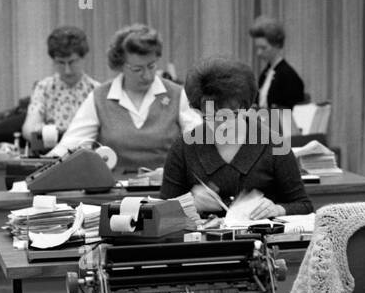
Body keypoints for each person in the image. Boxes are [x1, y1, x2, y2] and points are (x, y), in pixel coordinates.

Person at [160, 58, 312, 218]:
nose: (222, 124)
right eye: (211, 117)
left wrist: (277, 210)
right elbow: (160, 213)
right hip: (201, 241)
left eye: (231, 115)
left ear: (246, 107)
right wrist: (191, 203)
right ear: (199, 111)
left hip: (261, 240)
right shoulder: (184, 147)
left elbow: (304, 206)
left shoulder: (274, 144)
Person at [48, 24, 201, 176]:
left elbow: (200, 145)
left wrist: (177, 171)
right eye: (137, 69)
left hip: (166, 186)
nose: (147, 75)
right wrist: (41, 166)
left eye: (151, 66)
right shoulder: (100, 97)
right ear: (120, 65)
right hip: (115, 191)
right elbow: (71, 145)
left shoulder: (176, 94)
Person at [21, 25, 98, 153]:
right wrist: (43, 131)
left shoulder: (96, 91)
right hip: (52, 158)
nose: (67, 70)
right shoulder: (44, 88)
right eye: (60, 63)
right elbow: (28, 130)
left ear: (83, 57)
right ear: (53, 60)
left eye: (72, 62)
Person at [250, 17, 307, 109]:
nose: (259, 53)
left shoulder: (289, 76)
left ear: (277, 45)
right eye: (257, 48)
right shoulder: (265, 73)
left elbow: (290, 114)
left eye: (263, 48)